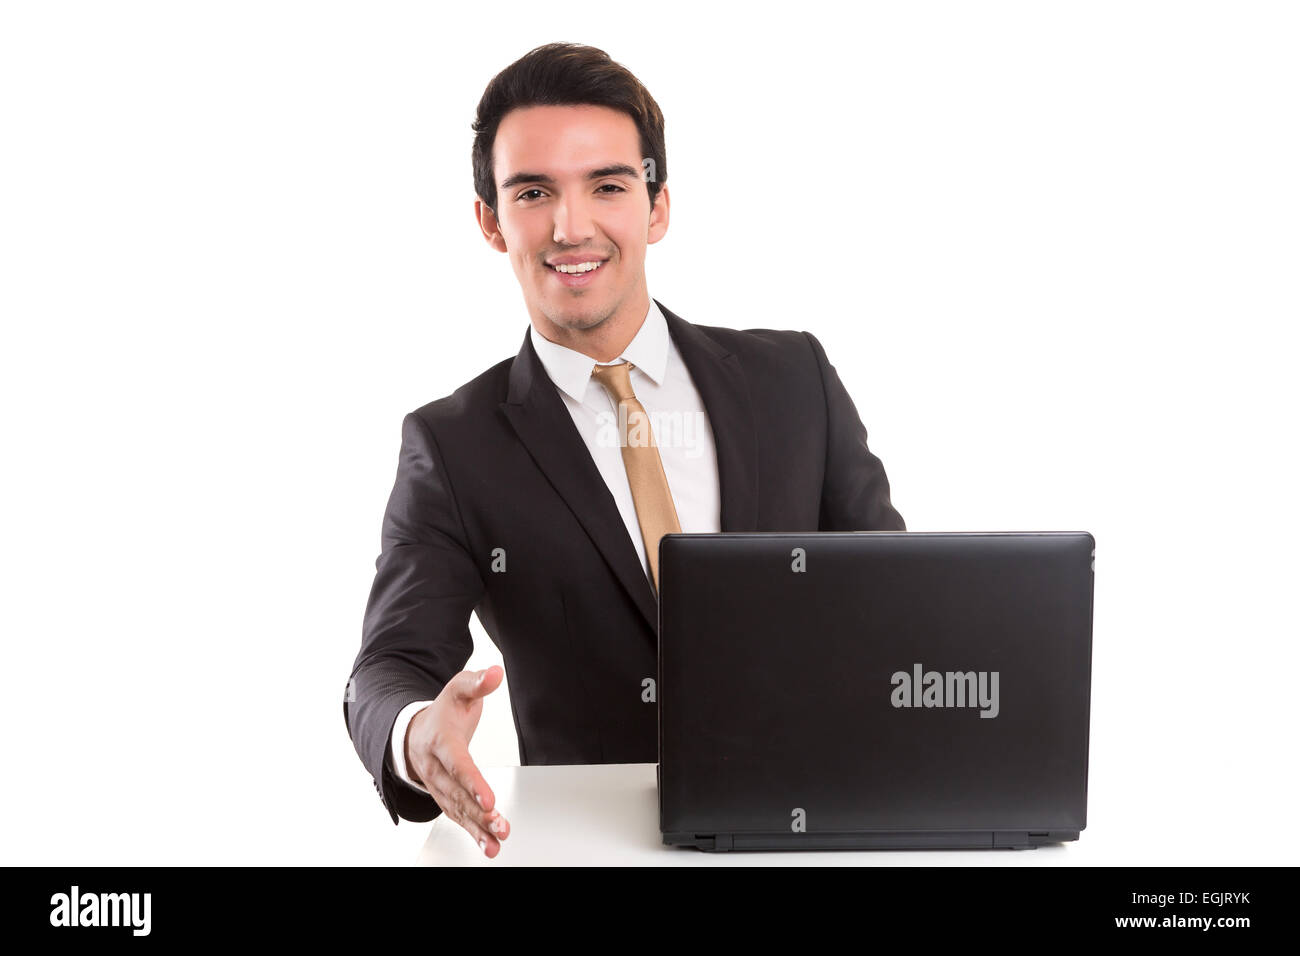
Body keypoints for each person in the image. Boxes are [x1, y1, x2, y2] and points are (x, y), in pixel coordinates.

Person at [343, 41, 906, 858]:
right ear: (491, 222)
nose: (572, 227)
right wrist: (414, 734)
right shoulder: (454, 445)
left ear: (657, 206)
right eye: (534, 192)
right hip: (592, 849)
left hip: (812, 834)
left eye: (607, 185)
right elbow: (387, 664)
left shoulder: (794, 381)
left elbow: (893, 608)